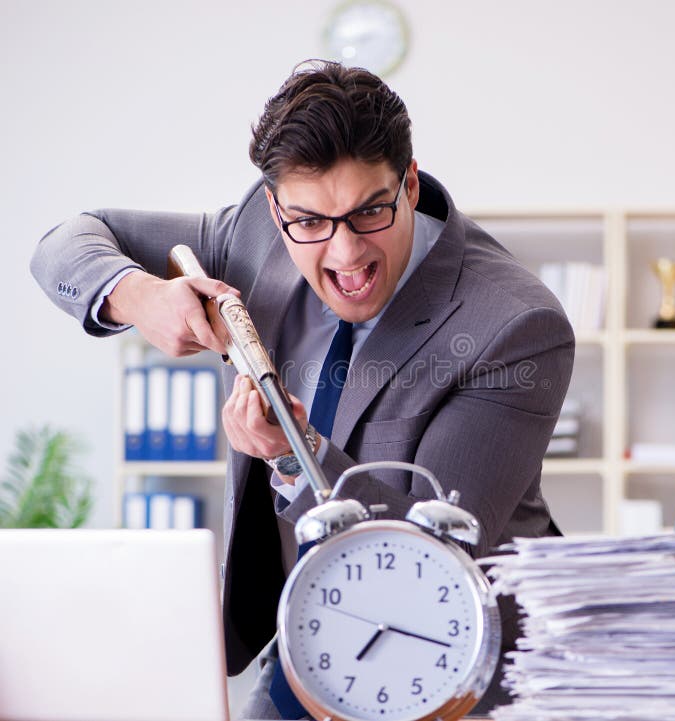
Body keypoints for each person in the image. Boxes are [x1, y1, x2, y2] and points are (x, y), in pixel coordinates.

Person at [30, 60, 574, 717]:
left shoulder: (515, 326)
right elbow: (65, 243)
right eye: (309, 221)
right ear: (274, 206)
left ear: (408, 182)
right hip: (310, 640)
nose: (343, 254)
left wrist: (293, 451)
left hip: (458, 670)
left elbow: (428, 556)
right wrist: (136, 294)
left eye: (370, 211)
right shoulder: (254, 237)